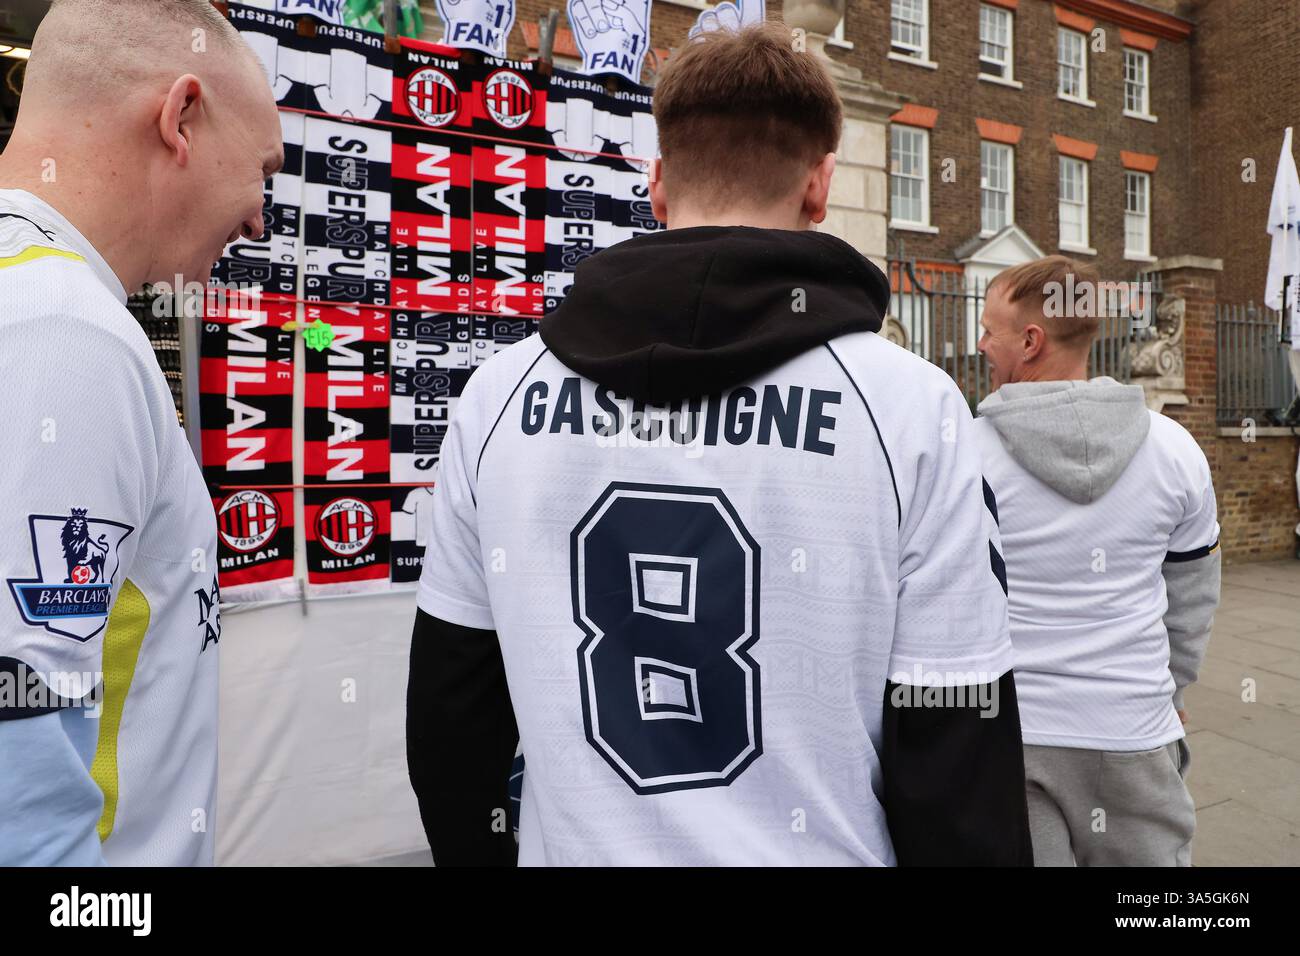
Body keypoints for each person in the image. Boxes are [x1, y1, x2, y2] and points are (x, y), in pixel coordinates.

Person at [406, 22, 1031, 866]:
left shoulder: (497, 396)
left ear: (657, 185)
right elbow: (958, 757)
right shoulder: (913, 411)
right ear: (819, 187)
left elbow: (452, 719)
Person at [0, 0, 282, 865]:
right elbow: (18, 735)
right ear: (181, 115)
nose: (259, 218)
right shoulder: (64, 327)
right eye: (263, 170)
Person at [974, 256, 1221, 866]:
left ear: (1030, 341)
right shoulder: (1175, 449)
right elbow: (1191, 599)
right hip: (1135, 731)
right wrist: (1174, 686)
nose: (979, 344)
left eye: (988, 329)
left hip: (1017, 737)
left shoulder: (963, 455)